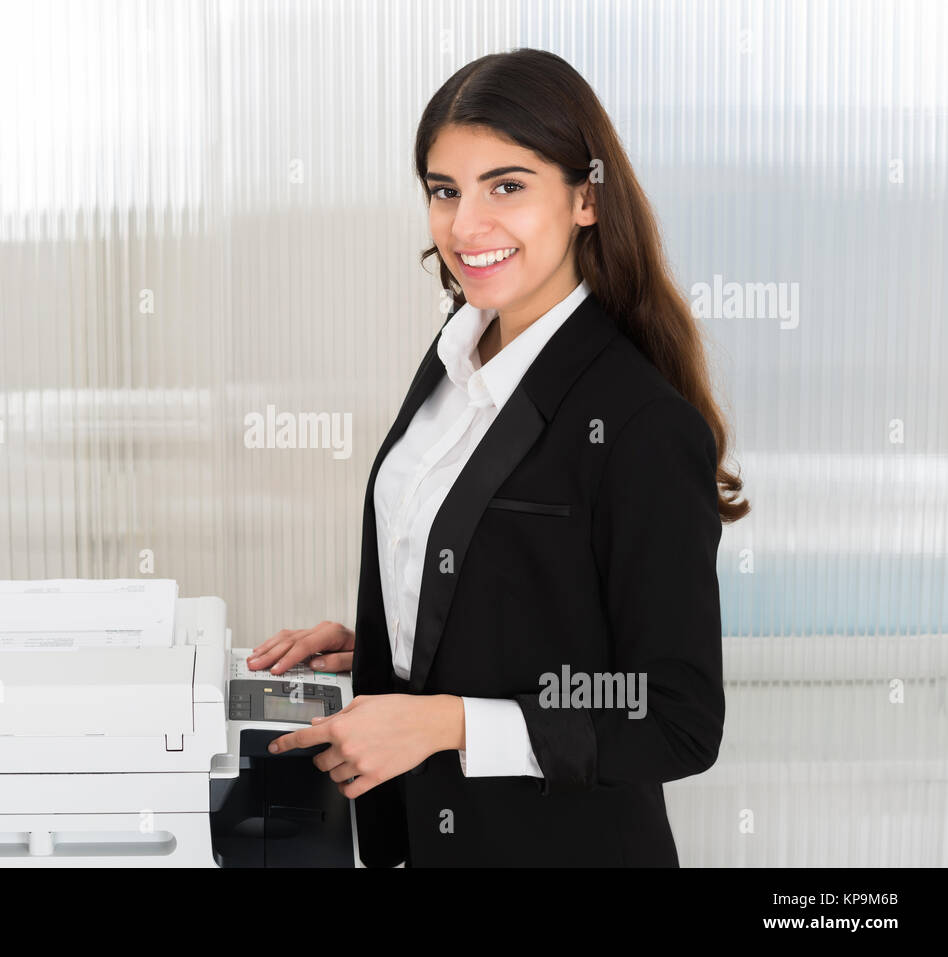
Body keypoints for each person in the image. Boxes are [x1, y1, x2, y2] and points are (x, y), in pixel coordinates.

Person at [249, 48, 749, 867]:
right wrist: (390, 646)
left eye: (506, 186)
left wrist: (445, 721)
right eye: (445, 191)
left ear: (586, 197)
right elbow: (512, 583)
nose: (465, 225)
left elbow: (675, 718)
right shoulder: (455, 356)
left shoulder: (640, 424)